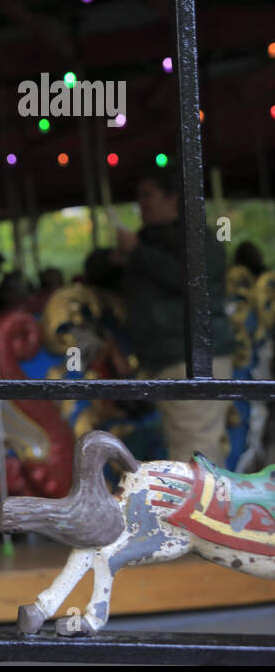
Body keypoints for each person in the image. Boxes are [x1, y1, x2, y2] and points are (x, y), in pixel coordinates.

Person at [112, 169, 236, 463]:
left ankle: (199, 496)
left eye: (148, 195)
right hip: (170, 355)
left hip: (190, 355)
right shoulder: (149, 241)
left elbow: (189, 278)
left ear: (172, 199)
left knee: (194, 449)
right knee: (189, 444)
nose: (141, 203)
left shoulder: (198, 240)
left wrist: (136, 252)